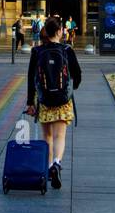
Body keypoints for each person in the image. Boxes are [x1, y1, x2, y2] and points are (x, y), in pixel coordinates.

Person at [25, 16, 82, 189]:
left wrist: (30, 102)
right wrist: (72, 87)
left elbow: (30, 78)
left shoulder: (37, 51)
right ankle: (57, 163)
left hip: (44, 100)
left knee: (47, 136)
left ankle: (49, 167)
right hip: (63, 99)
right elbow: (77, 75)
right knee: (60, 135)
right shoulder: (67, 50)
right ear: (59, 31)